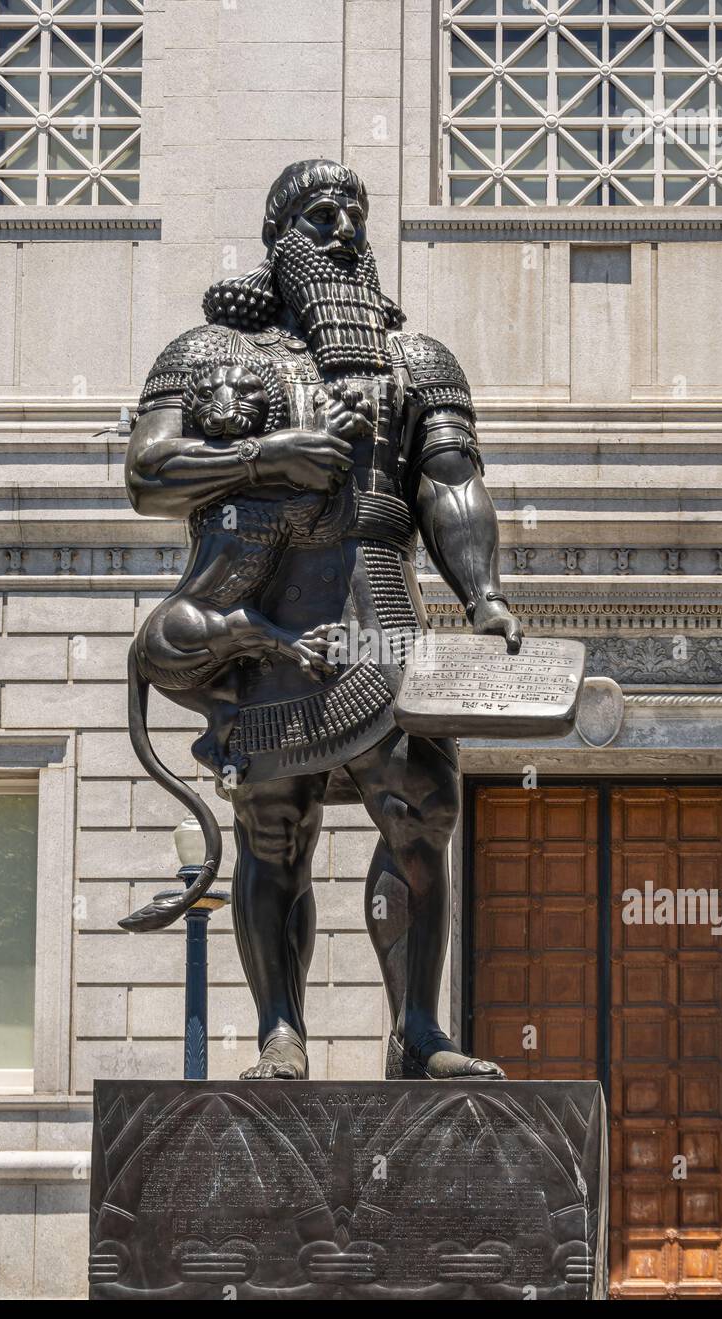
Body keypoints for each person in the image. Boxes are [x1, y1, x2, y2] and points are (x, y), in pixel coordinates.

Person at [125, 159, 521, 1079]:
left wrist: (483, 593)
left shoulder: (417, 360)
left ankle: (417, 1031)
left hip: (385, 610)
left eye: (355, 213)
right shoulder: (209, 352)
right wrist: (266, 461)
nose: (343, 228)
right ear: (278, 239)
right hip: (267, 612)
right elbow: (148, 473)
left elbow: (452, 484)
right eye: (318, 213)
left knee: (420, 813)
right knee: (276, 828)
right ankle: (280, 1032)